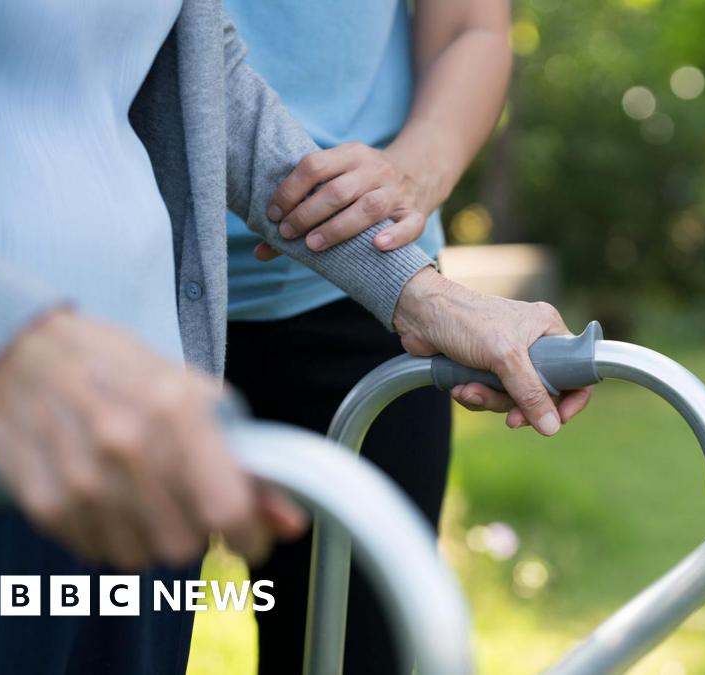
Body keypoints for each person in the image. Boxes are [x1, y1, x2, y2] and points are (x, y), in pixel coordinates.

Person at [0, 1, 590, 674]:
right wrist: (12, 343)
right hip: (17, 405)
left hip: (157, 379)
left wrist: (419, 291)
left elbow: (207, 80)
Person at [219, 1, 514, 672]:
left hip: (364, 296)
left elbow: (470, 25)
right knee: (77, 627)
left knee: (359, 652)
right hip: (114, 297)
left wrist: (413, 172)